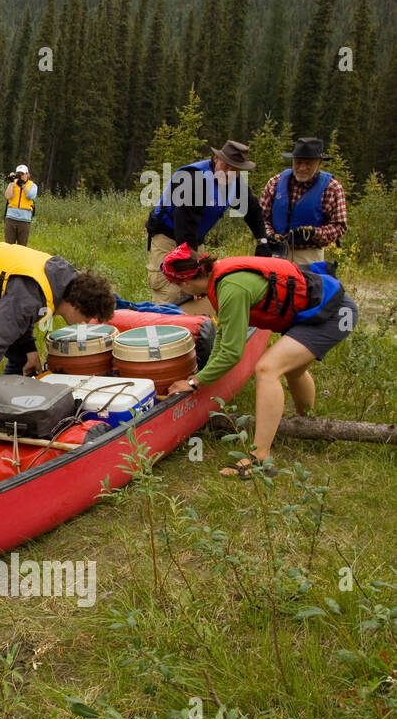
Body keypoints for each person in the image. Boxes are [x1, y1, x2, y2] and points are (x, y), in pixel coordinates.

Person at [158, 243, 358, 478]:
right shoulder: (220, 278)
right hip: (317, 310)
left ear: (184, 283)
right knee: (293, 370)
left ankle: (260, 458)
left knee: (267, 368)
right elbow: (224, 335)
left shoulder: (230, 288)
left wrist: (194, 384)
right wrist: (201, 375)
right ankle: (308, 425)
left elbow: (232, 353)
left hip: (332, 314)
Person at [0, 242, 117, 436]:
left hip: (7, 295)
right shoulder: (31, 297)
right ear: (76, 306)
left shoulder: (66, 284)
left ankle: (4, 418)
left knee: (21, 361)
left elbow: (23, 310)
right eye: (88, 317)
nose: (86, 322)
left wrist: (29, 349)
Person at [145, 139, 271, 314]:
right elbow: (185, 228)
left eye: (234, 170)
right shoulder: (192, 180)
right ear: (215, 159)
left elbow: (253, 210)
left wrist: (262, 241)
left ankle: (196, 335)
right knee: (172, 292)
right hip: (169, 237)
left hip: (194, 240)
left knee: (201, 293)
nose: (228, 173)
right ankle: (165, 332)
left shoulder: (234, 183)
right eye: (226, 167)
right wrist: (191, 273)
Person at [259, 137, 349, 267]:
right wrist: (270, 235)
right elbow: (262, 218)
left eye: (308, 163)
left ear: (319, 163)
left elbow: (340, 226)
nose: (302, 167)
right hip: (274, 252)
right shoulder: (275, 183)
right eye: (298, 162)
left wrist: (314, 233)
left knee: (306, 287)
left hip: (309, 255)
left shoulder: (332, 188)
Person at [3, 164, 38, 245]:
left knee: (22, 246)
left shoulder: (33, 185)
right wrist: (12, 183)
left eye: (22, 174)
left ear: (27, 174)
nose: (21, 176)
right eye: (19, 174)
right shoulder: (13, 184)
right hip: (11, 218)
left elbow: (31, 196)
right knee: (8, 245)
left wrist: (22, 185)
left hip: (24, 220)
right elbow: (8, 196)